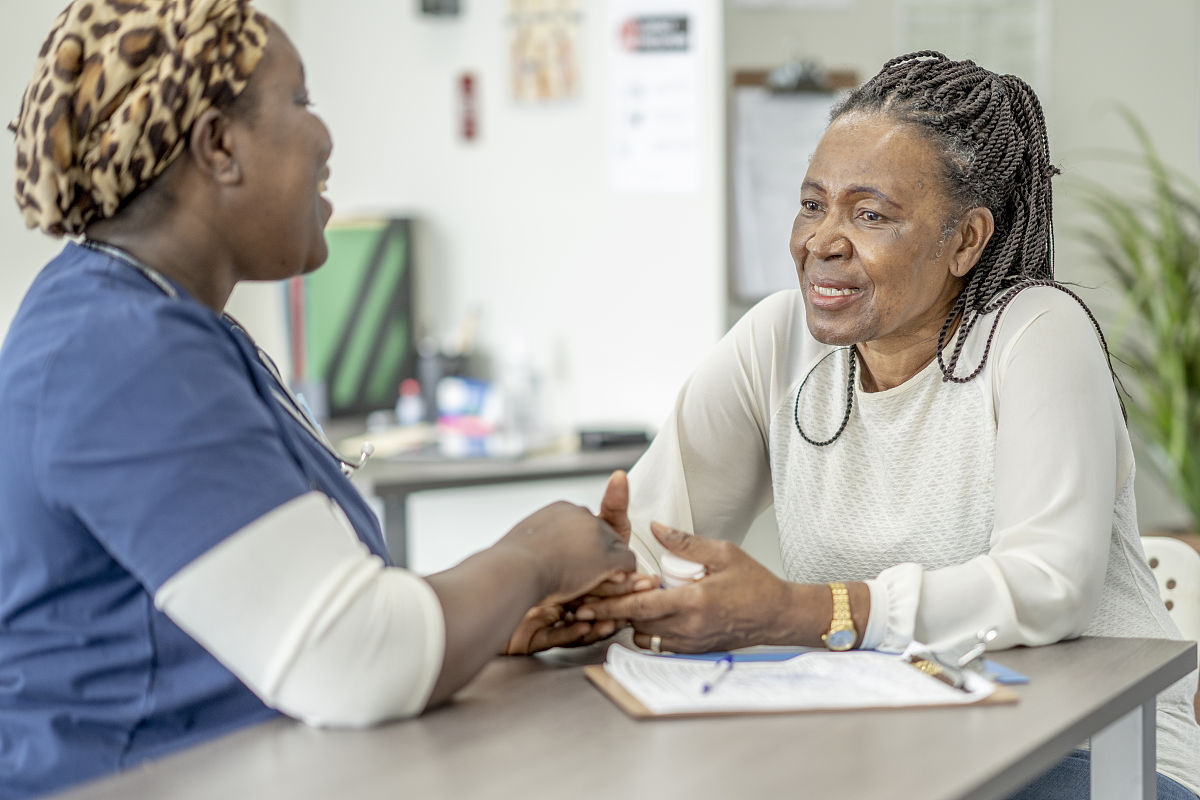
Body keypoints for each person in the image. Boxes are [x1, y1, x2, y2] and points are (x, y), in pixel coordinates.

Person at [0, 2, 639, 797]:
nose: (325, 138)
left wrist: (482, 623)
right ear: (219, 146)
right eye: (301, 101)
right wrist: (536, 555)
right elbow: (350, 662)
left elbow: (292, 615)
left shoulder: (165, 325)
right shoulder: (117, 349)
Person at [578, 52, 1200, 798]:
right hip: (889, 743)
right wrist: (587, 592)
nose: (822, 242)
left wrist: (798, 612)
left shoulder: (1038, 331)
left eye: (870, 214)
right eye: (814, 204)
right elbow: (649, 534)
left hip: (1093, 749)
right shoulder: (778, 339)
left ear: (966, 240)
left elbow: (1047, 585)